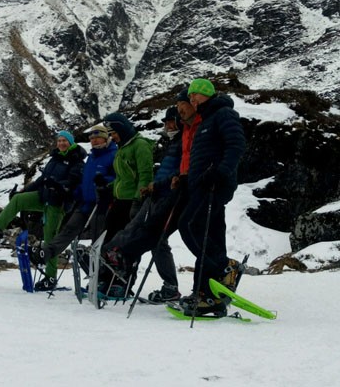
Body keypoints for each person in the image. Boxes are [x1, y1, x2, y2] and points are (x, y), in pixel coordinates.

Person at [101, 103, 187, 302]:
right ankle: (113, 258)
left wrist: (148, 191)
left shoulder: (179, 142)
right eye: (166, 123)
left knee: (153, 238)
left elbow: (154, 172)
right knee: (148, 237)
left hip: (163, 195)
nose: (168, 126)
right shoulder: (172, 142)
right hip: (156, 194)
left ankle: (117, 262)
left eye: (171, 122)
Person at [176, 78, 246, 317]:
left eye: (195, 94)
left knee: (189, 225)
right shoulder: (206, 119)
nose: (192, 99)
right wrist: (189, 178)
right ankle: (206, 294)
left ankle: (226, 266)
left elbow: (236, 145)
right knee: (210, 234)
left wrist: (219, 172)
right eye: (190, 96)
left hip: (215, 185)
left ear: (206, 93)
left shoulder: (223, 114)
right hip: (203, 184)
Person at [0, 130, 86, 291]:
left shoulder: (77, 161)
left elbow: (72, 182)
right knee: (18, 199)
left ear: (71, 143)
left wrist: (57, 185)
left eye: (65, 140)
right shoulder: (55, 158)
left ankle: (50, 277)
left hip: (57, 203)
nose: (61, 143)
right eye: (59, 140)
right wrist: (24, 190)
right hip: (44, 197)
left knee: (50, 240)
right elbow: (42, 180)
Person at [30, 124, 116, 266]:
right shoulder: (91, 158)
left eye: (98, 137)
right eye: (92, 138)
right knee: (69, 229)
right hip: (85, 203)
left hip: (101, 204)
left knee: (97, 237)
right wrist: (75, 192)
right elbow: (85, 180)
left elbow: (117, 178)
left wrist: (105, 181)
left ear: (106, 138)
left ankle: (100, 268)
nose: (94, 141)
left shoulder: (113, 155)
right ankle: (47, 253)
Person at [101, 112, 154, 237]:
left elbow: (145, 174)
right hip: (120, 199)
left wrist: (138, 200)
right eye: (110, 134)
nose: (112, 137)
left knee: (123, 239)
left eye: (114, 133)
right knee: (109, 235)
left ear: (122, 130)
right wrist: (109, 186)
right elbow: (124, 176)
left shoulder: (140, 145)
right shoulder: (122, 148)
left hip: (131, 201)